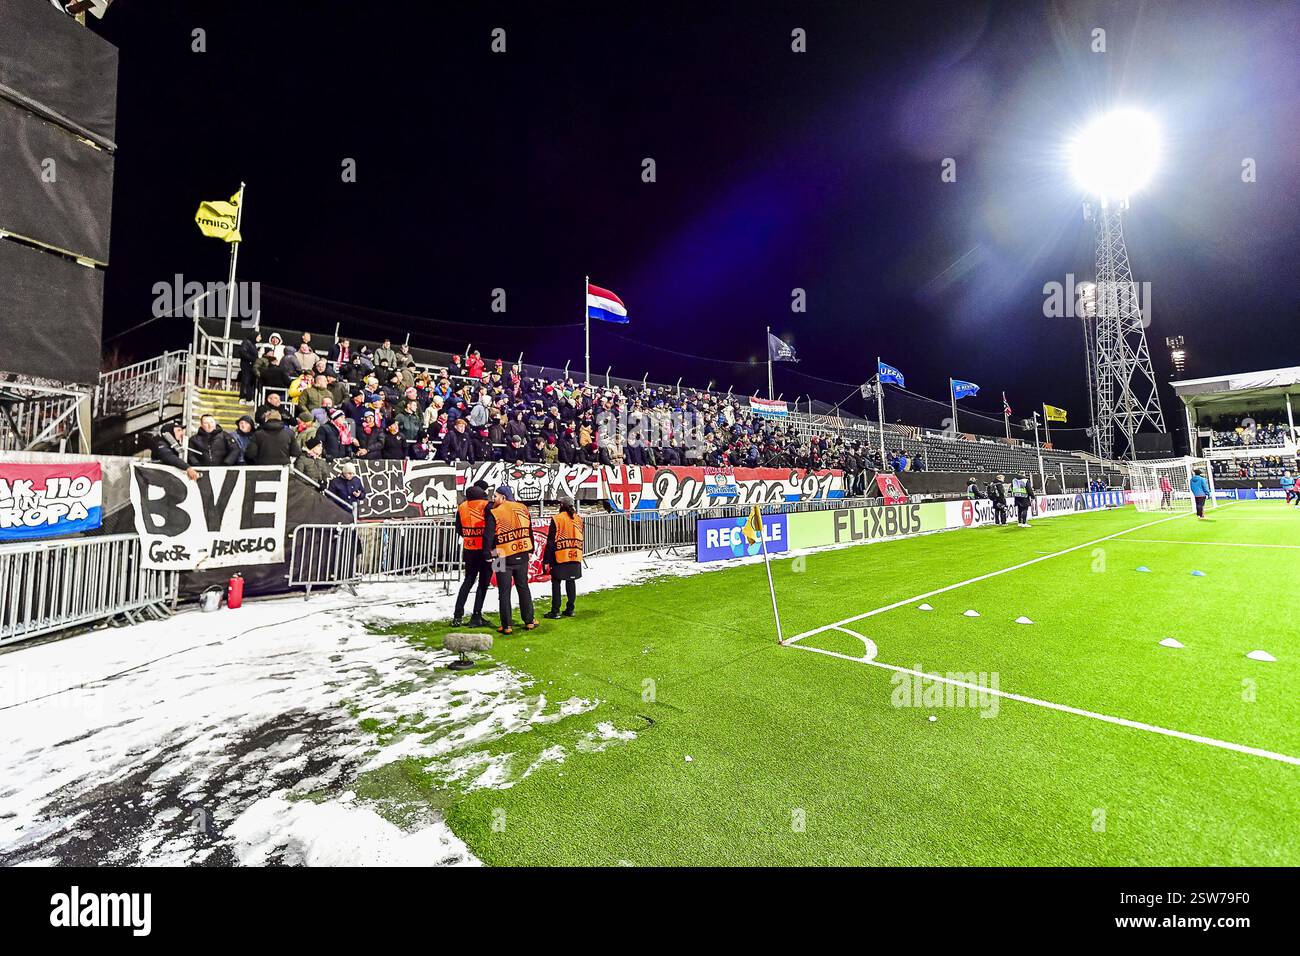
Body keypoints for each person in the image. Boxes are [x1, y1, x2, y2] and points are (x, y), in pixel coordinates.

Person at [483, 485, 536, 634]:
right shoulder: (523, 508)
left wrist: (488, 555)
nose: (493, 499)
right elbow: (529, 530)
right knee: (523, 587)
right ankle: (529, 621)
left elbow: (488, 536)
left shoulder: (495, 512)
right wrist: (531, 549)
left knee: (504, 592)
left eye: (496, 496)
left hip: (501, 556)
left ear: (503, 498)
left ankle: (507, 626)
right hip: (522, 552)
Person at [451, 486, 492, 627]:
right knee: (483, 583)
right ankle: (476, 614)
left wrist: (469, 536)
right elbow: (492, 527)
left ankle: (457, 615)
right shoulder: (486, 505)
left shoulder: (462, 507)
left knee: (468, 581)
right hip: (485, 550)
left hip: (469, 548)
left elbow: (459, 528)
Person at [542, 499, 583, 619]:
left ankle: (555, 611)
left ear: (561, 505)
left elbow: (550, 542)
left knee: (556, 583)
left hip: (560, 555)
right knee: (571, 581)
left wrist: (546, 560)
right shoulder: (578, 519)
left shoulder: (557, 518)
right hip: (575, 554)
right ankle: (570, 609)